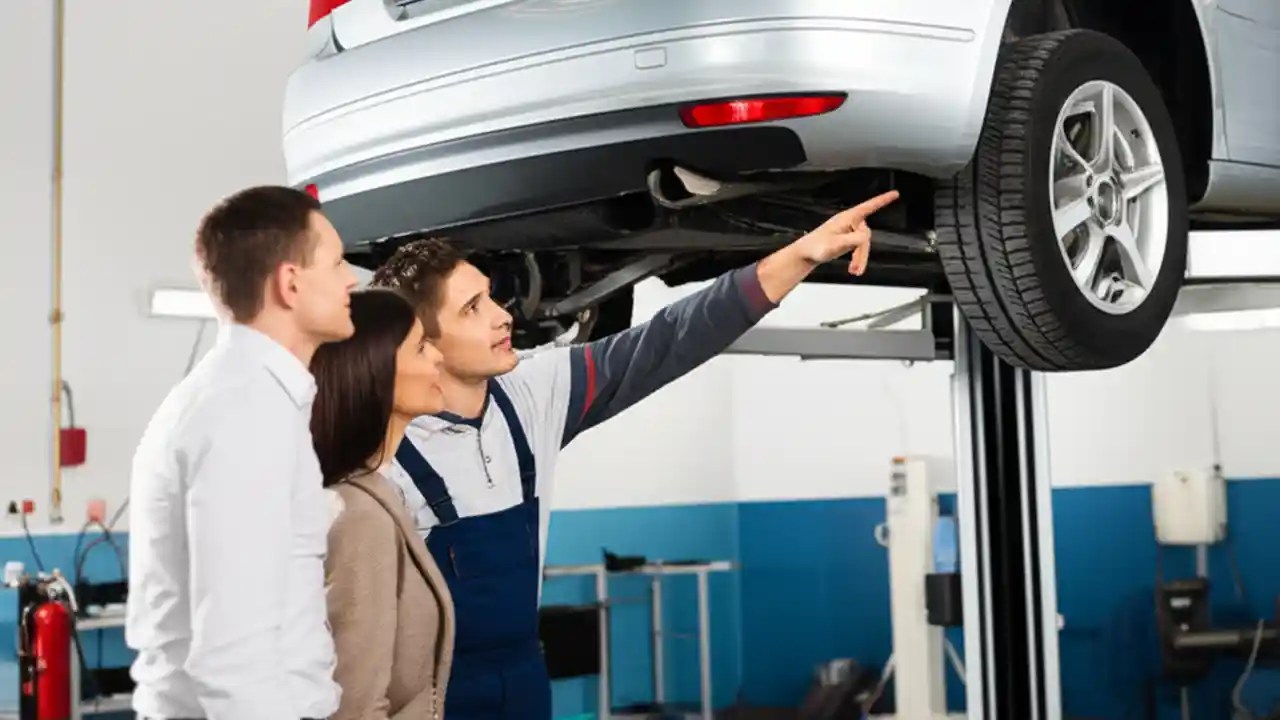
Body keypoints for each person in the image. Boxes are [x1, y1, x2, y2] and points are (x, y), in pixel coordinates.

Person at [369, 190, 900, 719]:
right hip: (433, 695)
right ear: (424, 341)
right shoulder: (384, 457)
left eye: (488, 296)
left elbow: (670, 340)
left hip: (526, 678)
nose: (501, 316)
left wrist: (800, 255)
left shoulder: (536, 390)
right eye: (471, 309)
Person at [125, 185, 357, 720]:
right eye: (338, 261)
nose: (351, 278)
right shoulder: (245, 412)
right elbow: (232, 656)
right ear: (290, 282)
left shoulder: (252, 400)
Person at [309, 288, 457, 720]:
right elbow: (354, 707)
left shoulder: (374, 489)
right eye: (421, 347)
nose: (438, 358)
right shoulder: (358, 515)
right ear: (377, 371)